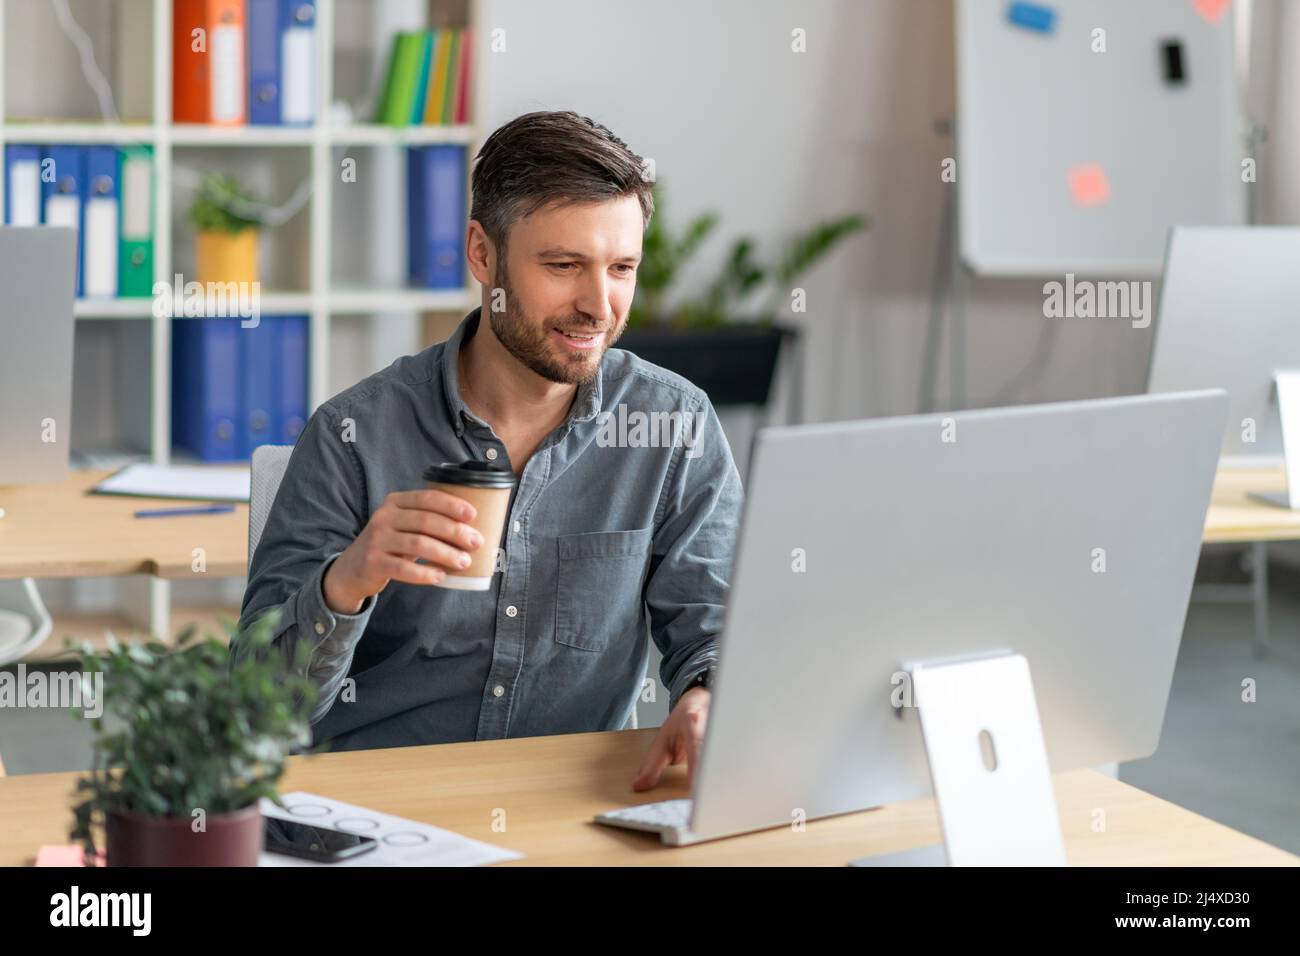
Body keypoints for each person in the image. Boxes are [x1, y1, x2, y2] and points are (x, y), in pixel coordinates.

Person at [236, 110, 742, 792]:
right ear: (482, 253)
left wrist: (707, 696)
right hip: (378, 816)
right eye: (564, 266)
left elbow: (715, 634)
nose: (599, 304)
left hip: (565, 808)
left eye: (622, 267)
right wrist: (347, 581)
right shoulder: (352, 436)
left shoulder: (673, 426)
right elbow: (252, 717)